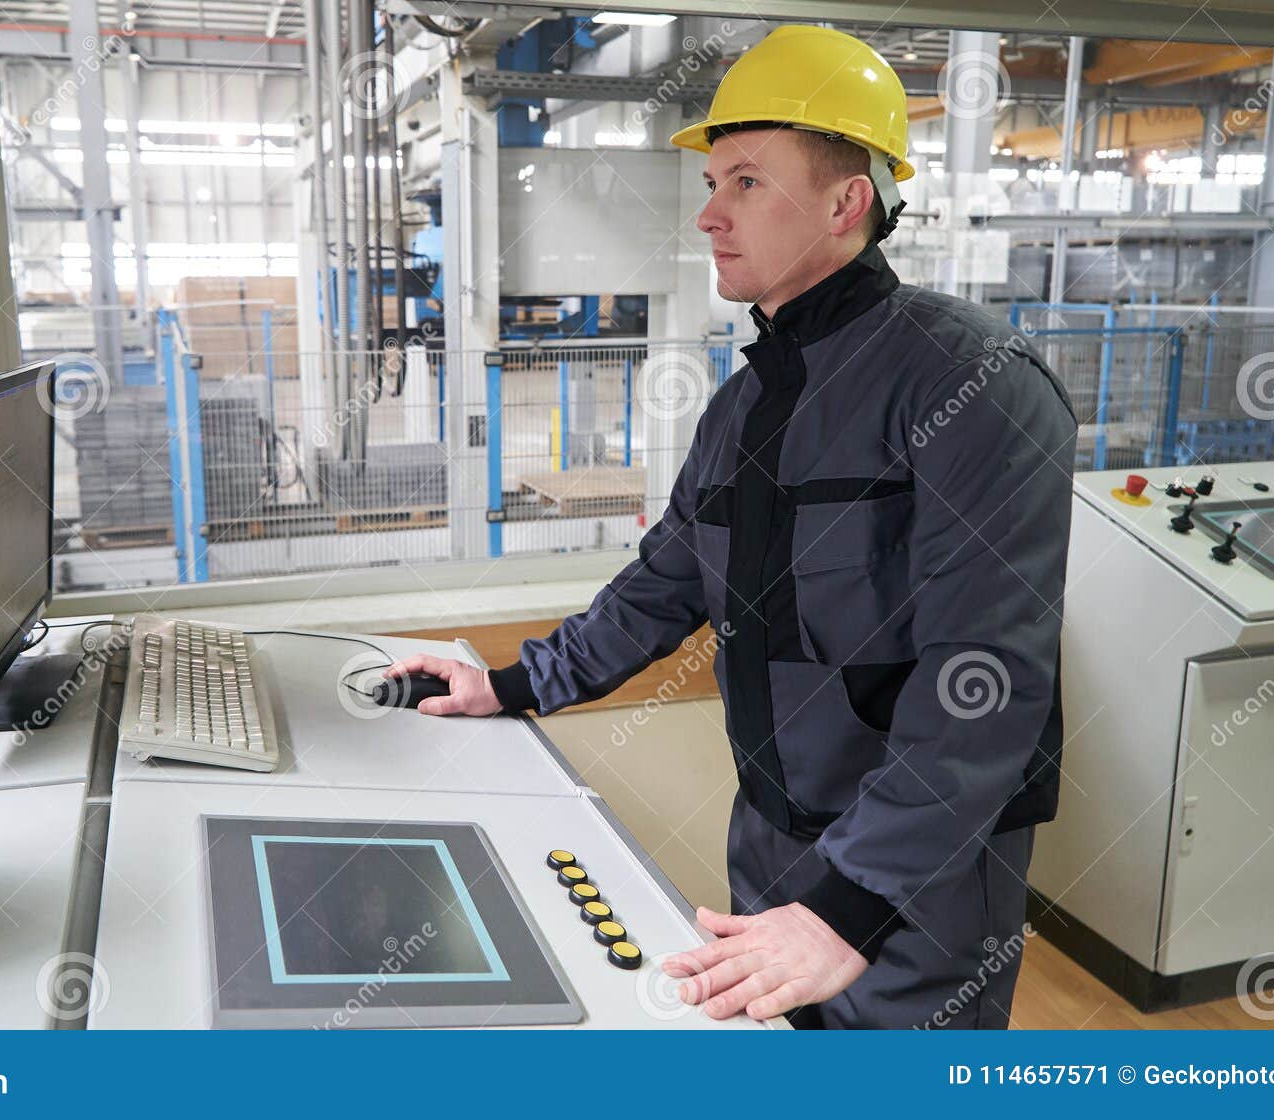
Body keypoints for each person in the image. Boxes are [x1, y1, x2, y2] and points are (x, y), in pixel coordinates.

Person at [382, 24, 1078, 1029]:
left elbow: (988, 678)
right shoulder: (744, 404)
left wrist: (851, 904)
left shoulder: (971, 382)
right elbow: (664, 583)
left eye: (745, 182)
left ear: (848, 201)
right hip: (770, 847)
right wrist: (510, 682)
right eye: (712, 184)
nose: (708, 214)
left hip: (914, 880)